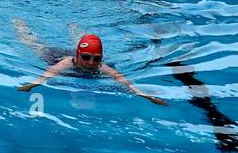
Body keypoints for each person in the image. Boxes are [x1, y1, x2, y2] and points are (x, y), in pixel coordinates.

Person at [12, 20, 167, 105]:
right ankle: (21, 27)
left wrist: (144, 95)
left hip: (80, 50)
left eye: (97, 58)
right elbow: (46, 75)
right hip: (56, 56)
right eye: (86, 57)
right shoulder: (66, 63)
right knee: (35, 46)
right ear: (79, 55)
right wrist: (31, 85)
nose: (91, 62)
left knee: (84, 42)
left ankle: (74, 27)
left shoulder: (102, 66)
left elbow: (124, 82)